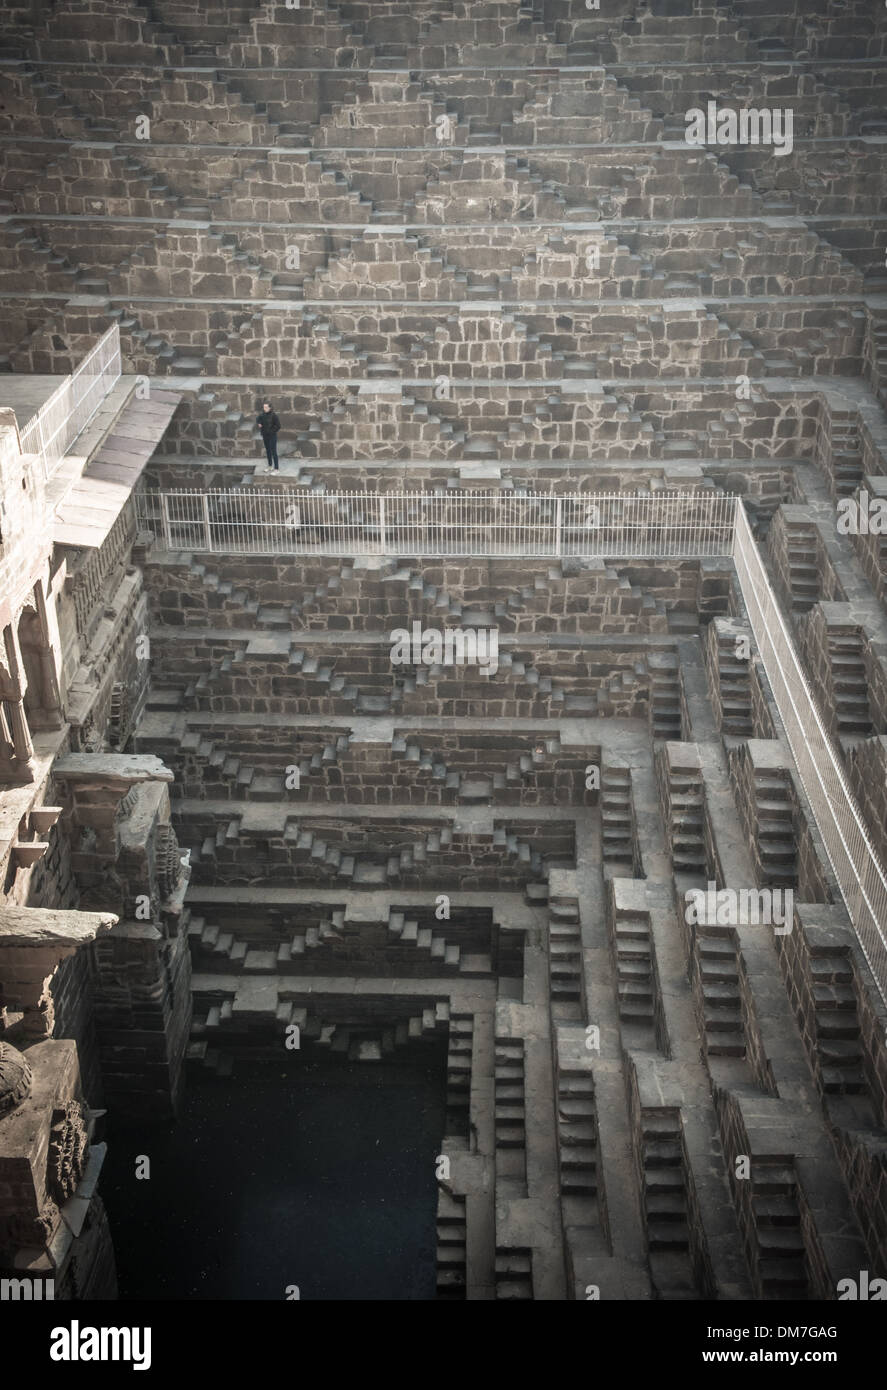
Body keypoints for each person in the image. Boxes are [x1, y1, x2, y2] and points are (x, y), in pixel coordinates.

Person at [257, 398, 281, 471]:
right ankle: (270, 466)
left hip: (272, 436)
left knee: (274, 451)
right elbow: (258, 419)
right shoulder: (262, 414)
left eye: (266, 407)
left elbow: (278, 426)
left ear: (270, 408)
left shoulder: (274, 415)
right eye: (264, 407)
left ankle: (276, 469)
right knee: (268, 451)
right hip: (265, 435)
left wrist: (271, 431)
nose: (265, 409)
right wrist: (259, 423)